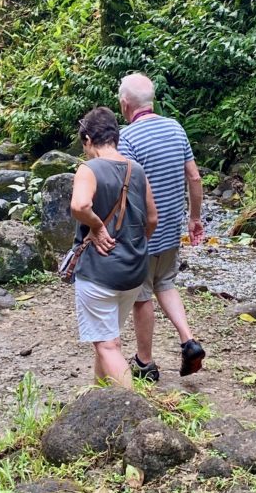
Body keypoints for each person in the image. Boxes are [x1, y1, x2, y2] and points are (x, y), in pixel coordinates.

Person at [116, 73, 206, 380]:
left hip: (143, 232)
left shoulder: (127, 138)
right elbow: (194, 177)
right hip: (170, 228)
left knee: (142, 296)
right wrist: (194, 218)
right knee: (165, 284)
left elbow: (127, 190)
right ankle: (188, 341)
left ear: (125, 104)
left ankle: (145, 363)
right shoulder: (175, 127)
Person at [69, 106, 158, 390]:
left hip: (100, 272)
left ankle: (132, 406)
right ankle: (100, 396)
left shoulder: (89, 169)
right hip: (133, 272)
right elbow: (152, 219)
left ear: (87, 139)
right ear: (115, 137)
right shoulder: (136, 169)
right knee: (107, 339)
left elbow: (80, 206)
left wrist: (96, 227)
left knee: (107, 346)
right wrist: (134, 244)